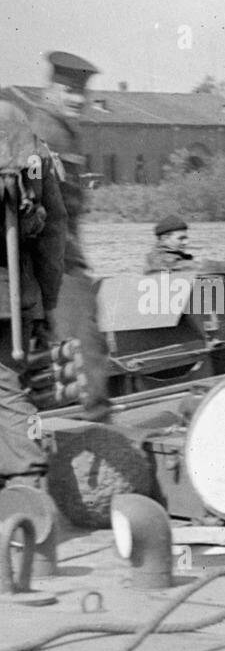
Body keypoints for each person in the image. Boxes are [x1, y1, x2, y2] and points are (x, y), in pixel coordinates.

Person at [3, 51, 111, 423]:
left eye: (82, 92)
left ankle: (65, 416)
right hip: (53, 260)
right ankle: (94, 426)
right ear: (50, 89)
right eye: (68, 91)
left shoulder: (63, 132)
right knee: (83, 340)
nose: (78, 99)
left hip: (61, 256)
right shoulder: (44, 130)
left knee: (66, 346)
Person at [0, 100, 68, 489]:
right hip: (13, 295)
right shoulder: (27, 136)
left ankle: (27, 482)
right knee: (11, 391)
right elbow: (54, 232)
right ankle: (30, 477)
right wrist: (45, 302)